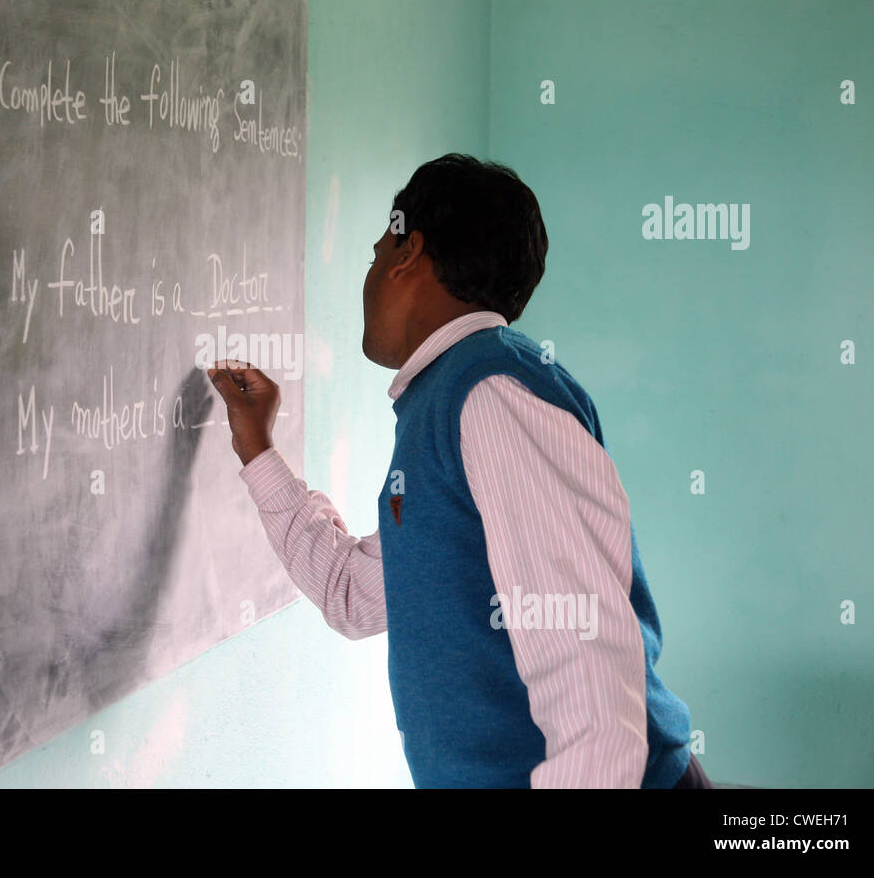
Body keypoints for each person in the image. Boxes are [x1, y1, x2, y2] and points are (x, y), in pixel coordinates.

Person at [206, 153, 711, 789]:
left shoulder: (490, 396)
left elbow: (591, 698)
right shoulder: (448, 401)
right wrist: (258, 450)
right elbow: (352, 595)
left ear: (407, 250)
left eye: (373, 253)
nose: (366, 278)